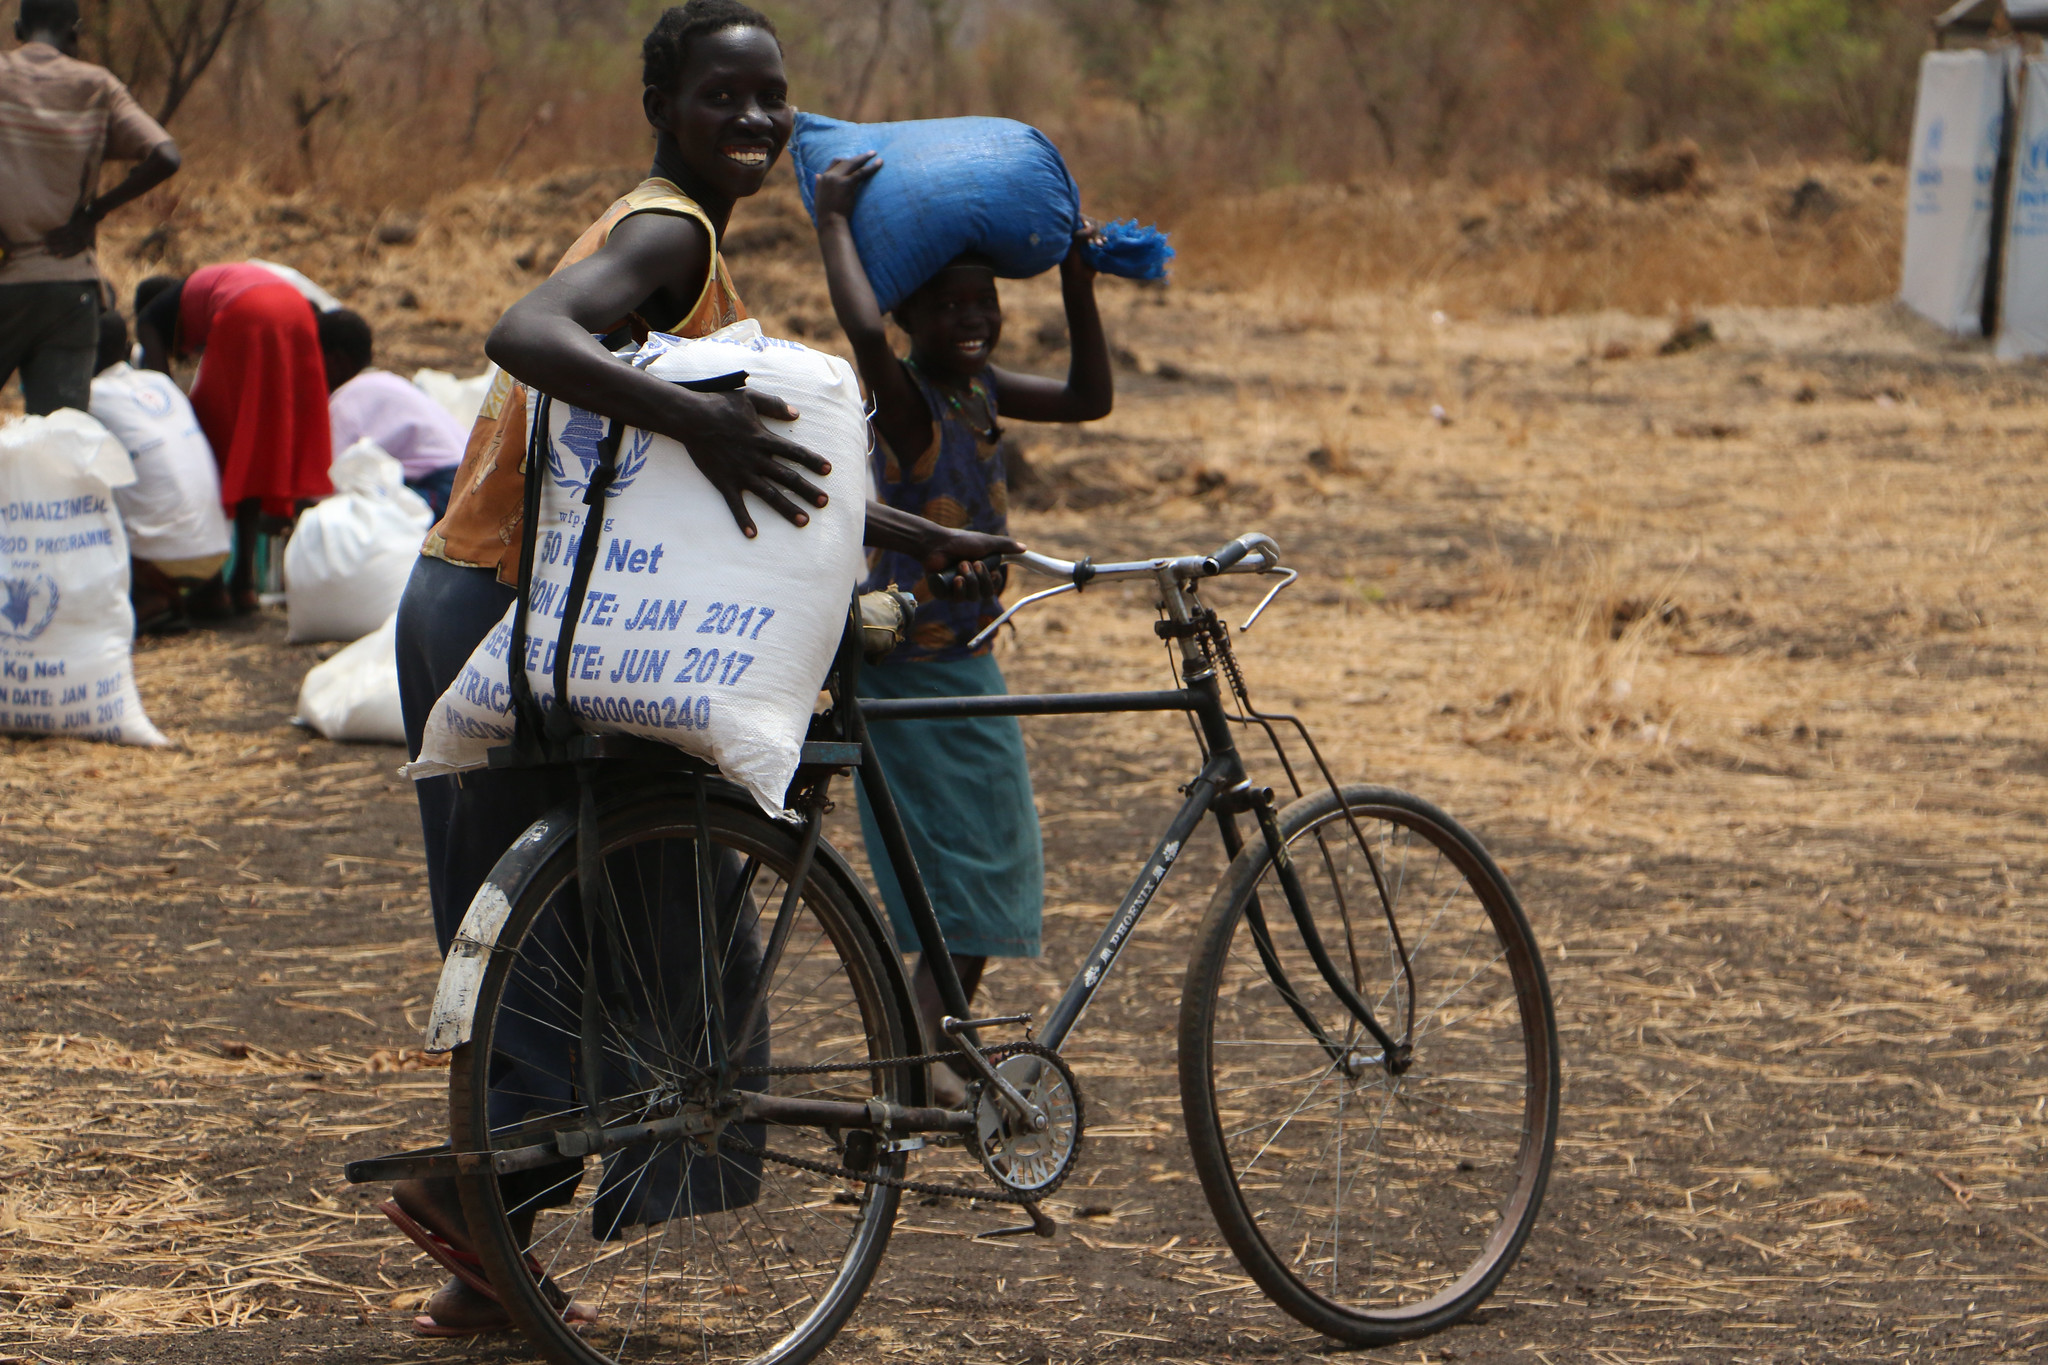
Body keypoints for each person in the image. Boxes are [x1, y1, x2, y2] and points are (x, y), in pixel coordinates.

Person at [386, 0, 1017, 1339]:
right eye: (723, 97)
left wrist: (879, 520)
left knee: (573, 931)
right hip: (503, 608)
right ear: (663, 106)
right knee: (634, 920)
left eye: (771, 99)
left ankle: (486, 1258)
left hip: (484, 599)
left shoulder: (681, 239)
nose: (754, 121)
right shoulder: (667, 229)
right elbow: (527, 334)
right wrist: (700, 419)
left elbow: (668, 447)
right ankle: (484, 1189)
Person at [811, 151, 1114, 1106]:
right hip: (910, 672)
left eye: (985, 304)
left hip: (971, 666)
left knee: (990, 875)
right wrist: (830, 220)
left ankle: (924, 1055)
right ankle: (914, 1067)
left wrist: (1075, 277)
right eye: (947, 307)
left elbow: (1088, 398)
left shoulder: (980, 391)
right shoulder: (906, 400)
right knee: (949, 879)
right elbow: (859, 330)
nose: (973, 321)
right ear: (910, 319)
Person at [0, 0, 179, 415]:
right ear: (75, 34)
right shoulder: (96, 85)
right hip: (69, 289)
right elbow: (165, 155)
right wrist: (92, 212)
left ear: (17, 29)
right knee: (61, 439)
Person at [134, 264, 334, 613]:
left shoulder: (150, 318)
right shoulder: (208, 288)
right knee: (255, 450)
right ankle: (245, 584)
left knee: (213, 446)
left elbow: (160, 396)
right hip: (296, 310)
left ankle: (211, 587)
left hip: (248, 313)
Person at [86, 310, 230, 633]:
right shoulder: (160, 381)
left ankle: (150, 598)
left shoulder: (89, 398)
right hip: (218, 548)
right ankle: (210, 590)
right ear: (127, 350)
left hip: (161, 559)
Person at [317, 309, 467, 515]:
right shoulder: (386, 381)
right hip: (468, 478)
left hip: (442, 488)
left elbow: (328, 483)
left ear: (336, 361)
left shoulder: (346, 399)